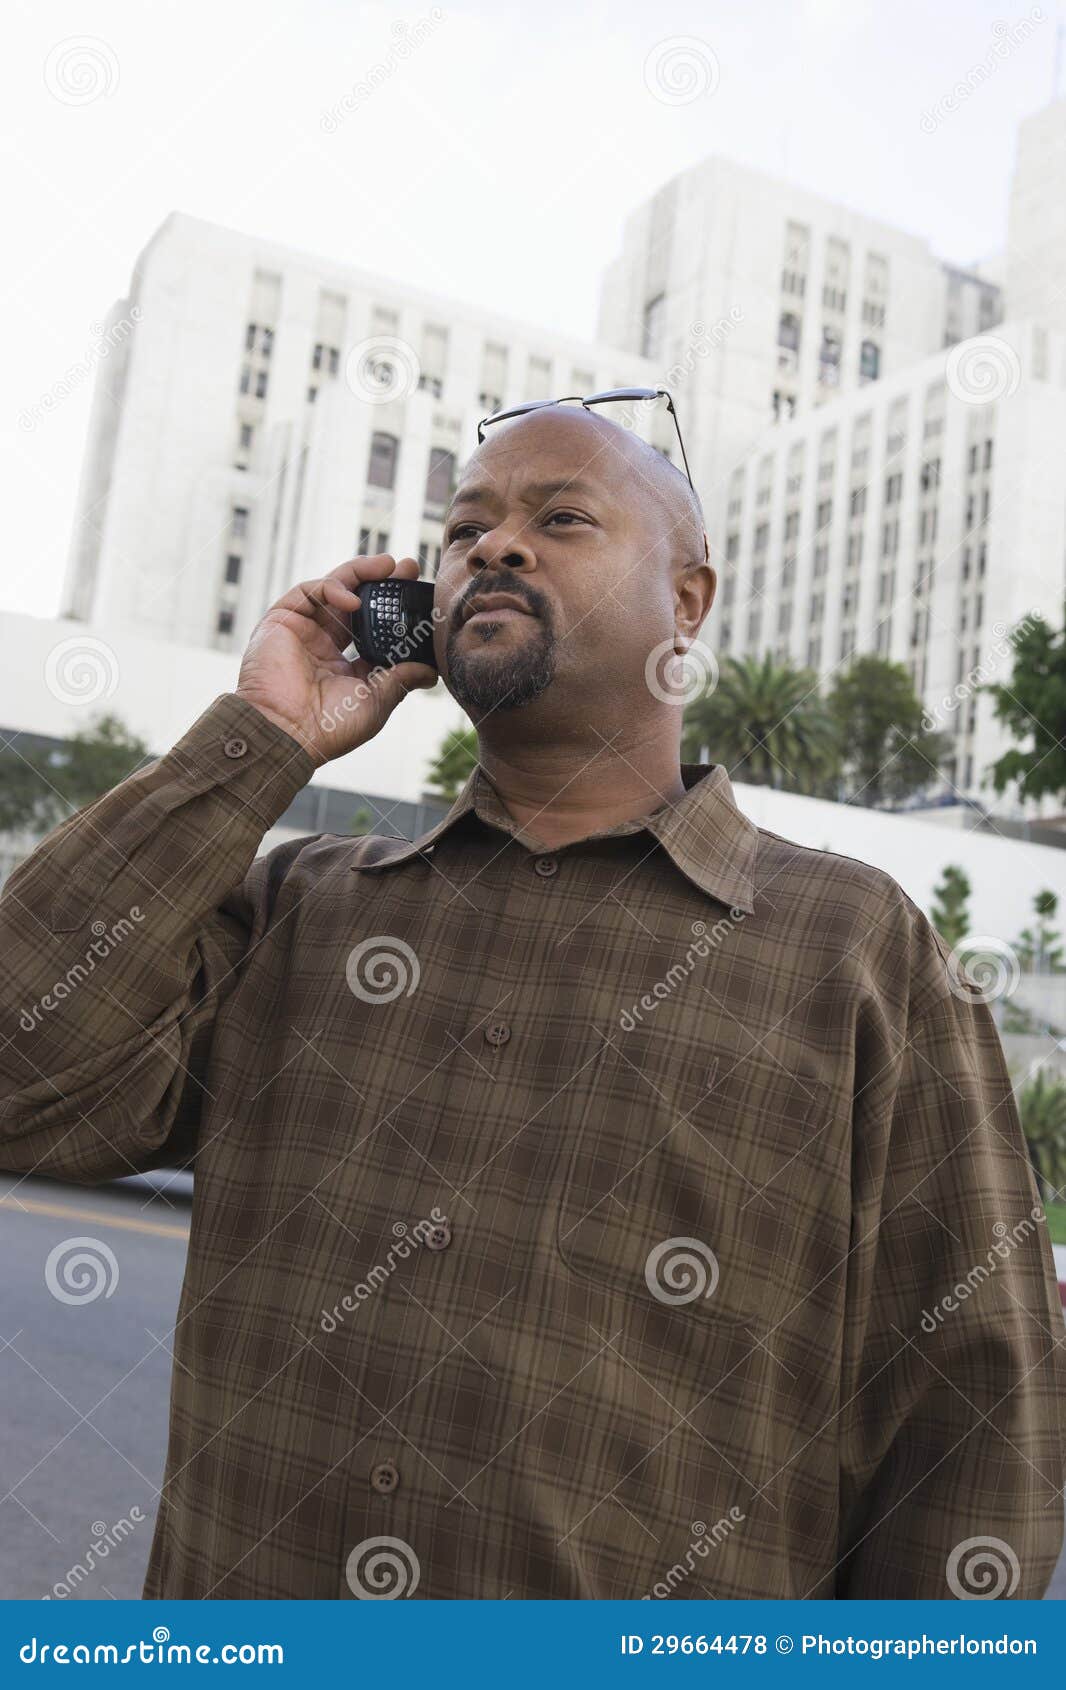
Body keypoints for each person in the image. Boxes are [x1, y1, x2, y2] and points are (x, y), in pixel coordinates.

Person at [0, 404, 1062, 1601]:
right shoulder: (298, 910)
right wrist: (265, 736)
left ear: (688, 602)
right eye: (465, 531)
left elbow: (978, 1420)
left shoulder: (855, 949)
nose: (495, 547)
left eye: (560, 519)